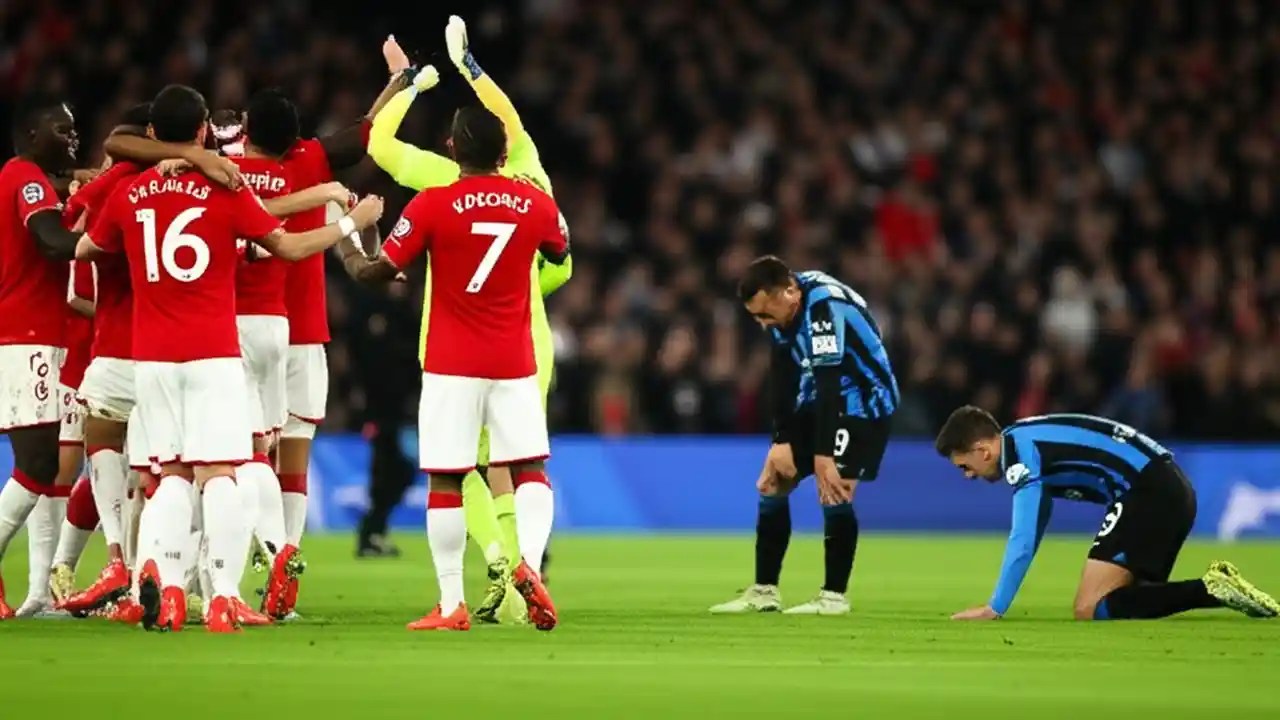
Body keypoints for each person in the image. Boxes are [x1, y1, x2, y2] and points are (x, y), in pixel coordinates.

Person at [75, 84, 384, 632]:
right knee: (222, 472)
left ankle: (169, 589)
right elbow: (287, 246)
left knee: (169, 474)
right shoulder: (225, 186)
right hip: (213, 353)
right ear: (202, 131)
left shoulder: (130, 193)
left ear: (153, 133)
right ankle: (224, 596)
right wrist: (348, 224)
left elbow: (86, 246)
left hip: (152, 356)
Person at [367, 19, 571, 617]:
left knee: (461, 470)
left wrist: (412, 82)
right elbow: (562, 267)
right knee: (520, 462)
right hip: (526, 340)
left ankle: (497, 563)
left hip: (453, 346)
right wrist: (470, 66)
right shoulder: (532, 179)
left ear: (454, 149)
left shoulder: (440, 186)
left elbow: (379, 144)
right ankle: (526, 568)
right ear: (505, 147)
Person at [934, 407, 1280, 621]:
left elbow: (1022, 539)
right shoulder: (1024, 438)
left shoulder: (1020, 456)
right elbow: (1037, 517)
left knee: (1089, 607)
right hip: (1170, 489)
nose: (968, 476)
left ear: (983, 450)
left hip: (1147, 492)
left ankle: (1211, 588)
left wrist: (995, 607)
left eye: (965, 466)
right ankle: (1217, 588)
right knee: (1127, 601)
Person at [711, 256, 898, 616]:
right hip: (819, 398)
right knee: (772, 480)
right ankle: (764, 591)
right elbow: (782, 374)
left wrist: (823, 455)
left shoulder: (823, 306)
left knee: (834, 487)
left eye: (765, 314)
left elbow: (830, 382)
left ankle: (833, 597)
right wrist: (781, 438)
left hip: (863, 401)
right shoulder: (782, 312)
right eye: (756, 316)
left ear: (790, 292)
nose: (762, 323)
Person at [0, 97, 82, 619]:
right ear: (32, 134)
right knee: (36, 464)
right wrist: (106, 243)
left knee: (47, 468)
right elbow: (51, 240)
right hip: (26, 335)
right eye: (61, 129)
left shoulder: (36, 180)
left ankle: (40, 594)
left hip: (43, 334)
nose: (72, 137)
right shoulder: (23, 176)